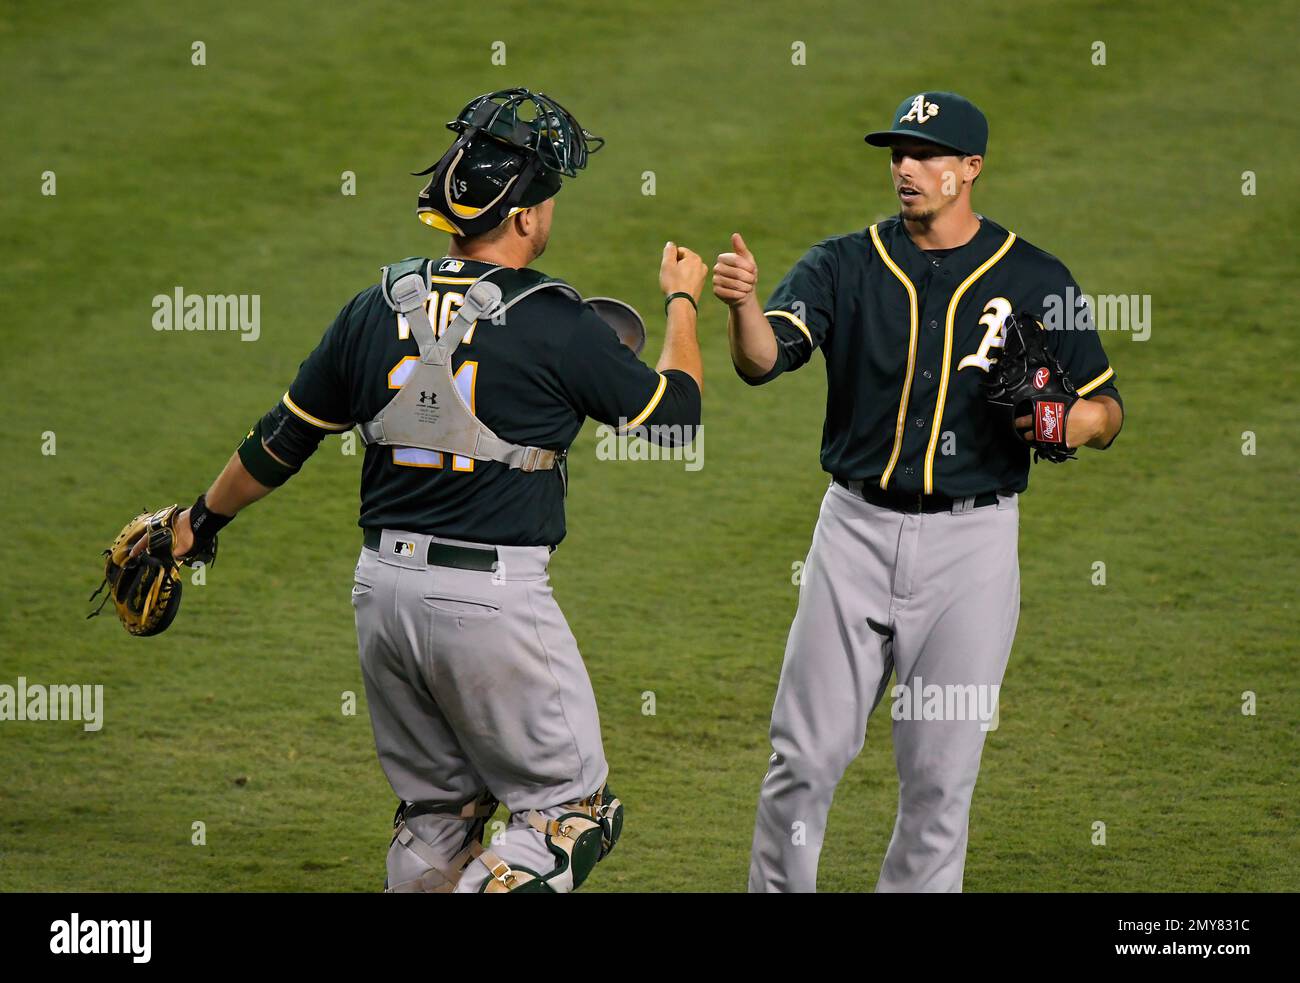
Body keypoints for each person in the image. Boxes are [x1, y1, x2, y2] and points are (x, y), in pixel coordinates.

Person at [148, 88, 707, 892]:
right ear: (522, 218)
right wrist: (682, 300)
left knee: (437, 813)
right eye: (548, 197)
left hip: (381, 595)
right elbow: (676, 417)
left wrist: (196, 523)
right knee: (569, 814)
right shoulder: (556, 320)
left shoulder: (375, 304)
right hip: (490, 604)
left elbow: (284, 438)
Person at [712, 91, 1123, 892]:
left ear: (969, 169)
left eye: (926, 153)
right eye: (898, 152)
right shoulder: (842, 262)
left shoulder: (1038, 276)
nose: (906, 167)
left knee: (939, 777)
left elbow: (1108, 408)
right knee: (803, 757)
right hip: (854, 533)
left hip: (972, 550)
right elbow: (763, 361)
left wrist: (1065, 422)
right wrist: (740, 308)